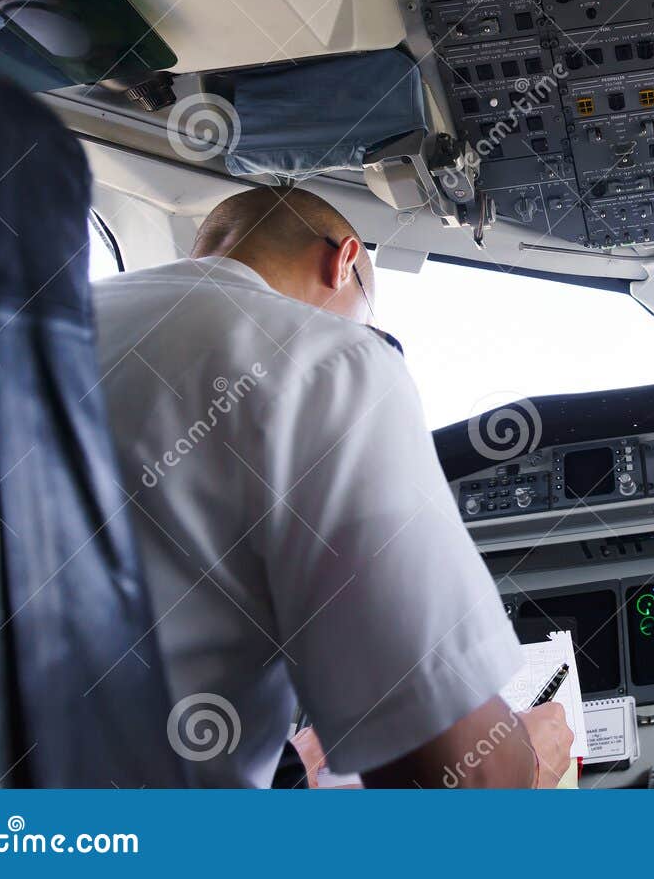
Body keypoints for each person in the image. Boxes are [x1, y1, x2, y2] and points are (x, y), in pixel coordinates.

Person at [92, 185, 571, 787]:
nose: (363, 332)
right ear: (342, 260)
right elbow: (452, 779)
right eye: (366, 314)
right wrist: (531, 762)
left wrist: (298, 762)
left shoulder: (31, 328)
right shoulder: (329, 360)